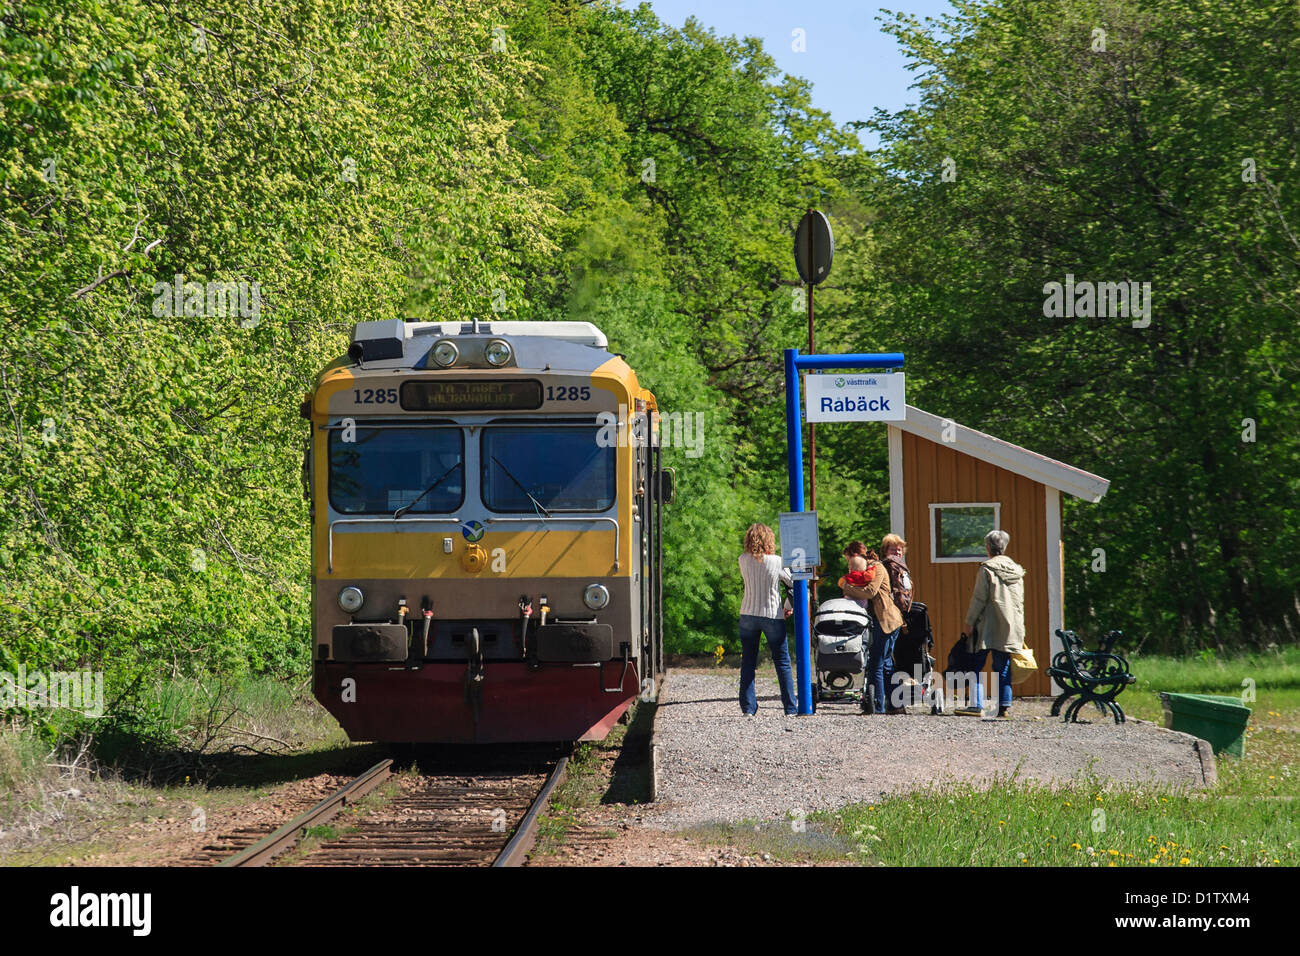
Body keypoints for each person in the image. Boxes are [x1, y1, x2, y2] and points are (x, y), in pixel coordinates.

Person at [956, 529, 1026, 718]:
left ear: (988, 547)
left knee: (976, 663)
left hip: (987, 625)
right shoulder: (1017, 570)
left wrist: (969, 621)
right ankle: (1003, 706)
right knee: (1002, 665)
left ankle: (976, 705)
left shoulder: (986, 568)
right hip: (1010, 625)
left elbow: (979, 598)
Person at [737, 523, 797, 716]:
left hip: (747, 614)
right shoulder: (777, 561)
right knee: (782, 662)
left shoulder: (742, 560)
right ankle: (790, 708)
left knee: (748, 662)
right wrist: (787, 608)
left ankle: (748, 708)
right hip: (772, 615)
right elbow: (794, 585)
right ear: (769, 539)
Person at [840, 541, 904, 715]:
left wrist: (846, 587)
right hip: (884, 621)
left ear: (857, 555)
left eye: (849, 560)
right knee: (886, 663)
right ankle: (896, 704)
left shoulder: (877, 568)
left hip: (886, 621)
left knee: (876, 663)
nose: (849, 565)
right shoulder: (867, 569)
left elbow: (870, 592)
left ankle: (877, 706)